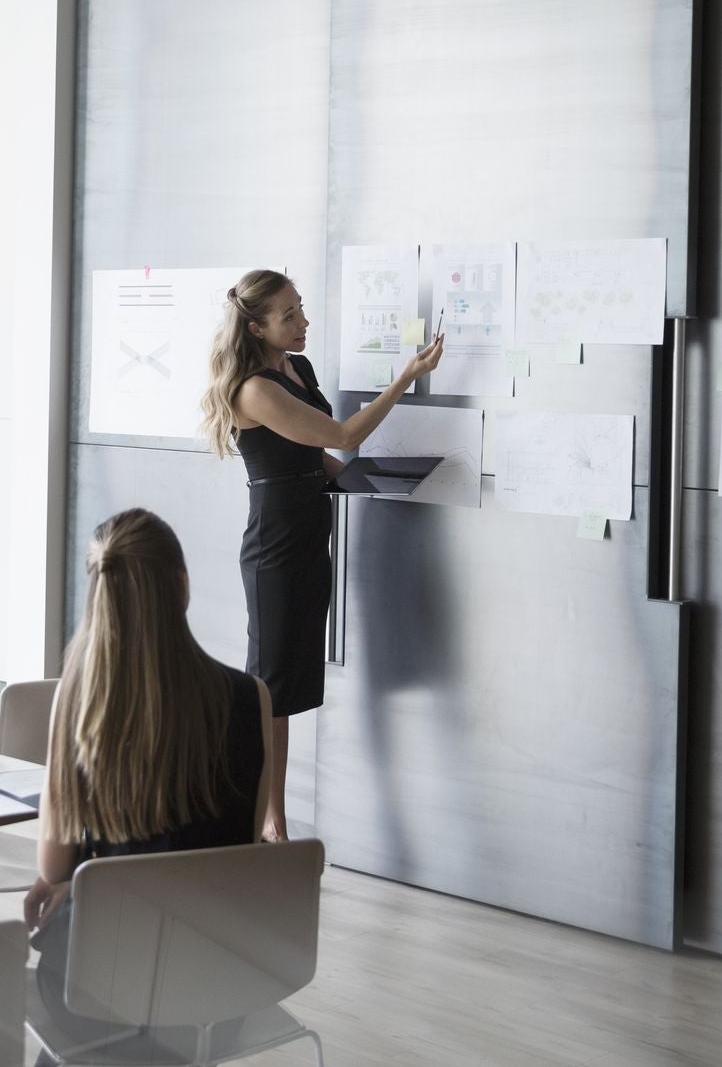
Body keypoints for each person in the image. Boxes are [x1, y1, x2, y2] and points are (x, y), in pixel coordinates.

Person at [200, 269, 443, 839]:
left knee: (287, 687)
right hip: (276, 550)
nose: (304, 321)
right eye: (289, 315)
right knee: (271, 693)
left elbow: (320, 462)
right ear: (257, 326)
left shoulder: (297, 369)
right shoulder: (256, 388)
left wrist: (381, 481)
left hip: (311, 538)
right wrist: (406, 376)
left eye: (300, 309)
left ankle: (267, 817)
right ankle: (269, 820)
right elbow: (342, 435)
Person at [23, 508, 271, 1043]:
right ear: (181, 586)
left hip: (95, 991)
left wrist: (74, 882)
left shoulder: (78, 699)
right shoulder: (253, 699)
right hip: (214, 996)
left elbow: (53, 863)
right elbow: (244, 848)